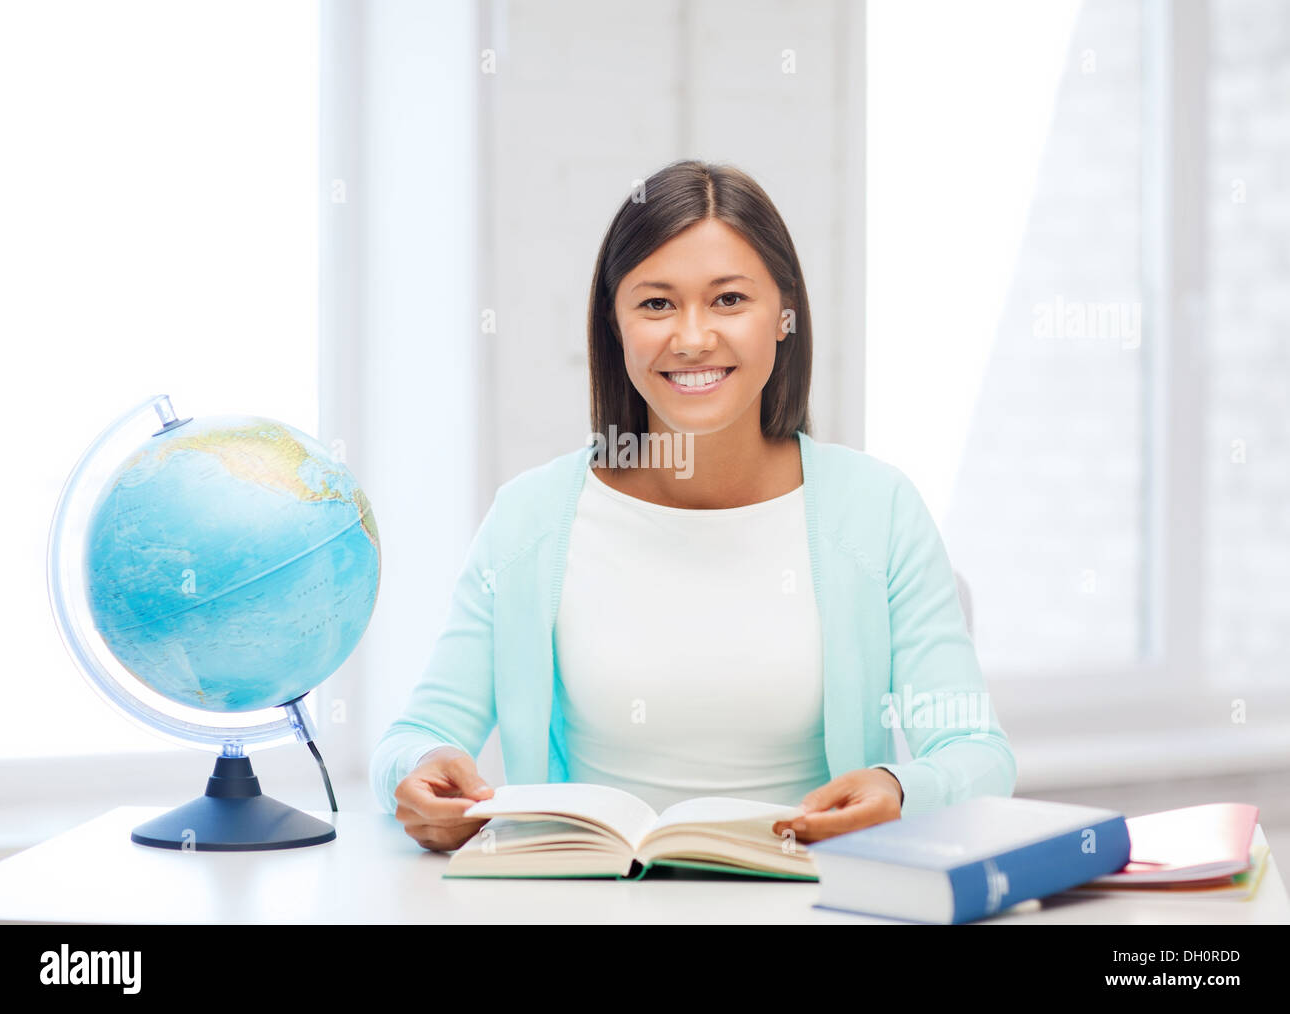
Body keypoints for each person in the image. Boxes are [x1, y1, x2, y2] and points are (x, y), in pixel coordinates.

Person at [371, 159, 1016, 853]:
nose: (692, 337)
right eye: (656, 304)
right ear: (614, 325)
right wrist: (419, 775)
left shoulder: (877, 511)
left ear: (784, 317)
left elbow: (978, 755)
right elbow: (412, 739)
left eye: (729, 300)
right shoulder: (530, 519)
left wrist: (898, 787)